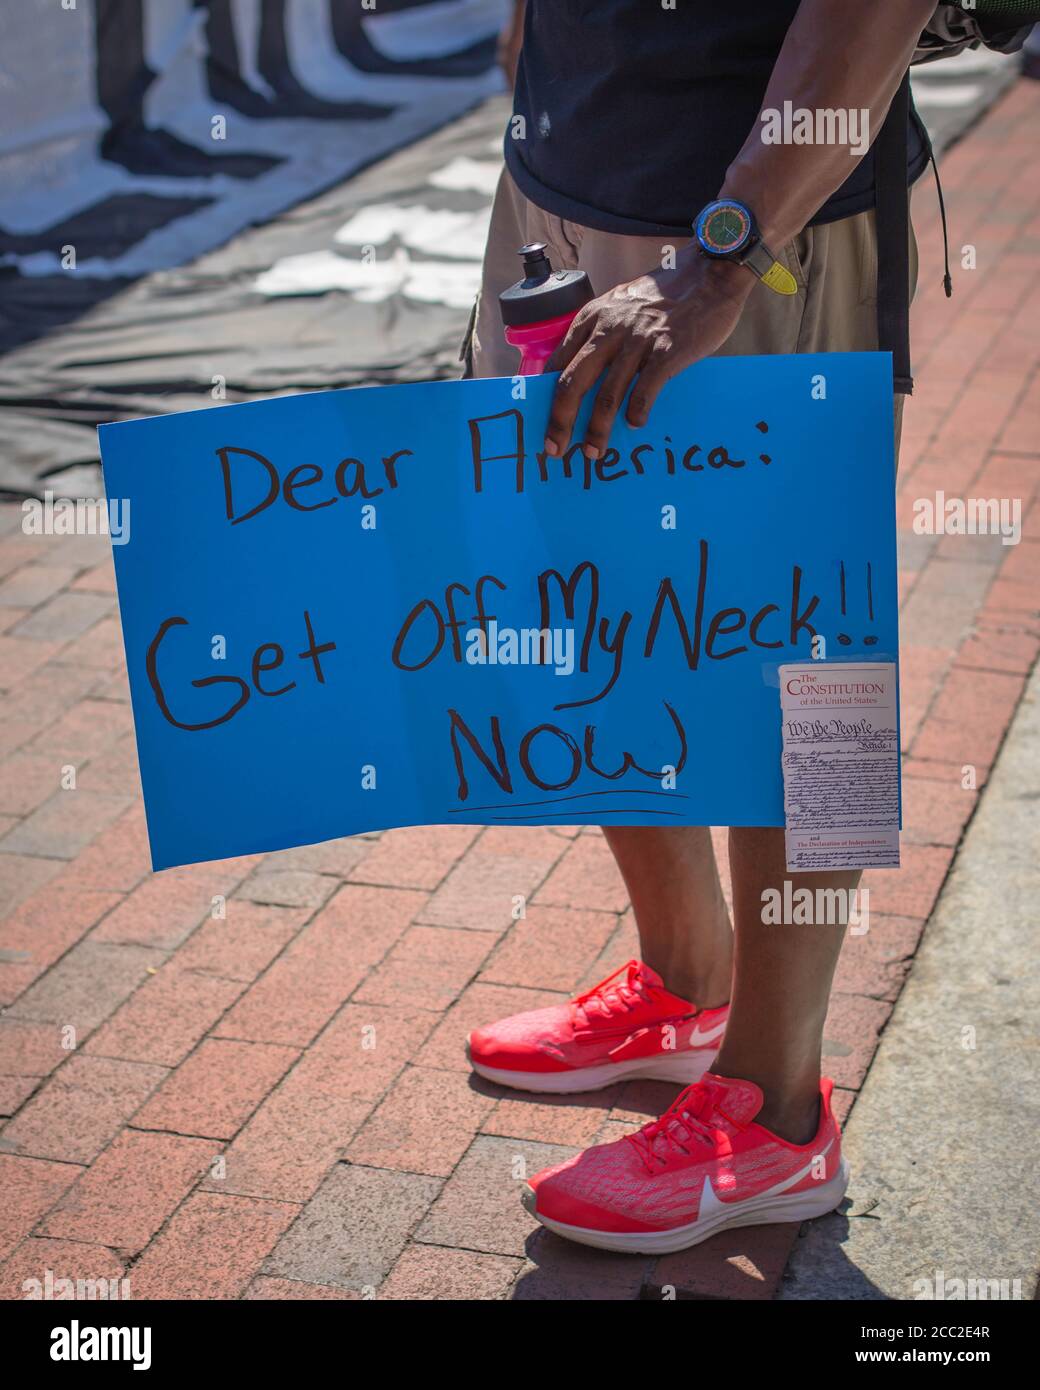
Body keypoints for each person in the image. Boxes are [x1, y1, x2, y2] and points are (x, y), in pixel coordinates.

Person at [463, 0, 935, 1253]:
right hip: (565, 177)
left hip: (757, 233)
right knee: (589, 597)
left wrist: (719, 255)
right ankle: (683, 982)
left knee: (798, 654)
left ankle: (776, 1113)